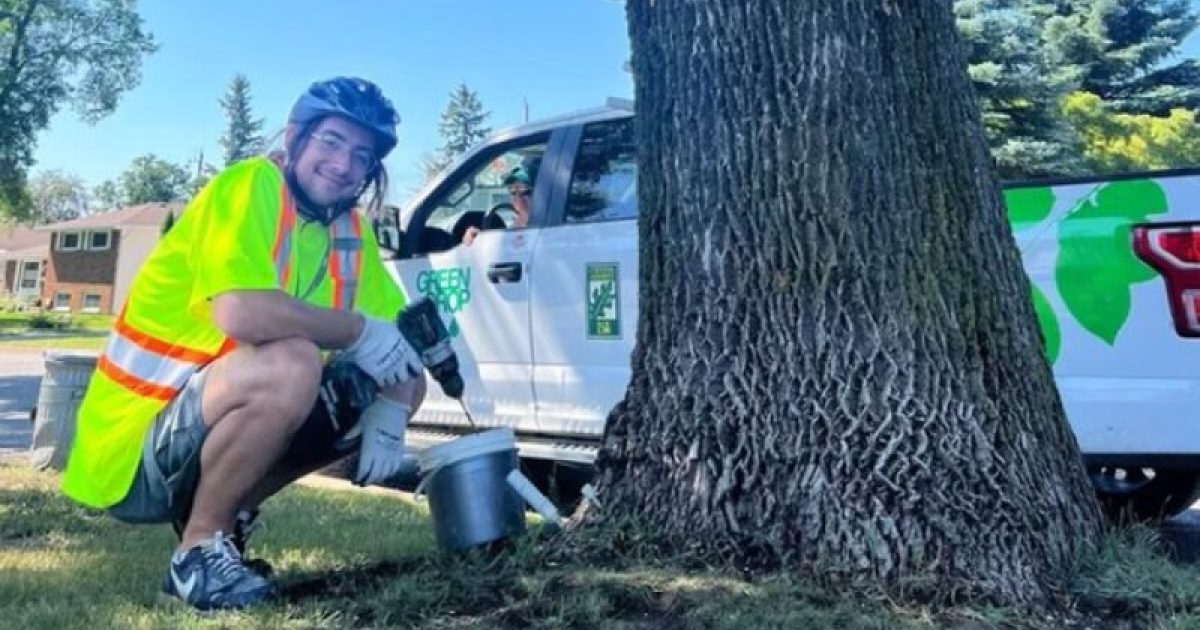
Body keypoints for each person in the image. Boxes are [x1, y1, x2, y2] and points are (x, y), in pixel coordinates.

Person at [60, 77, 426, 612]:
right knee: (293, 360)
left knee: (365, 383)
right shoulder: (250, 185)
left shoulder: (350, 230)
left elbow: (398, 346)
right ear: (296, 138)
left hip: (203, 428)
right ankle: (197, 555)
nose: (344, 165)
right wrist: (356, 331)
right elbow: (241, 312)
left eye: (361, 155)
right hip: (136, 446)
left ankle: (225, 526)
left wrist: (397, 404)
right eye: (331, 141)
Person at [461, 159, 537, 246]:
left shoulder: (547, 228)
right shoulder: (517, 223)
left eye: (524, 191)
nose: (518, 199)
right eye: (512, 192)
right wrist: (479, 239)